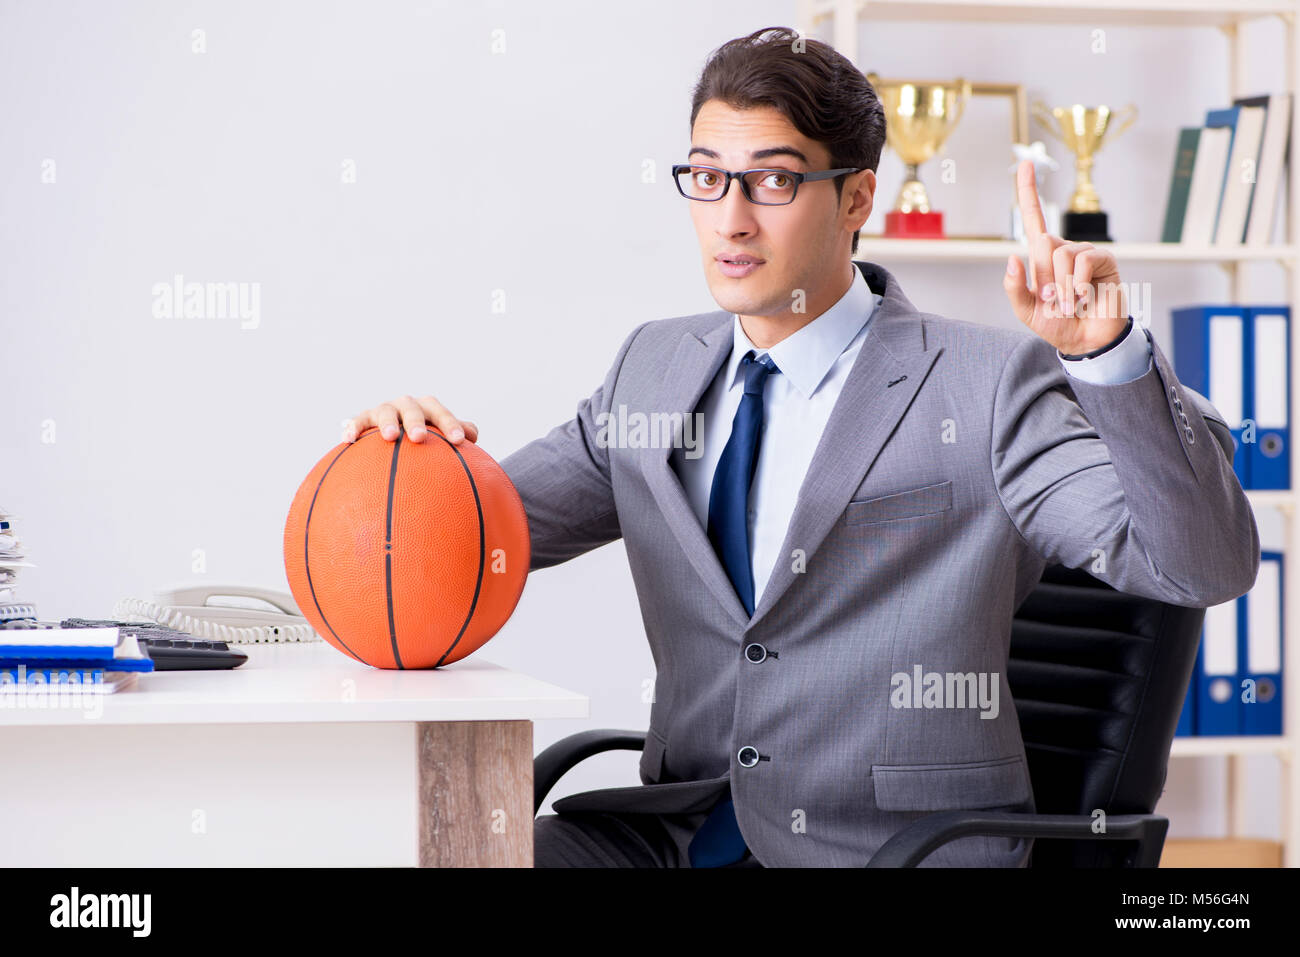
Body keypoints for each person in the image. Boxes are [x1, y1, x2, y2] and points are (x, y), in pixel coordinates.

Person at [344, 26, 1260, 867]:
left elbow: (1197, 568)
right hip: (679, 830)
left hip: (894, 847)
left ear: (857, 195)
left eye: (774, 180)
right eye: (706, 176)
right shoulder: (652, 371)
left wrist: (1105, 358)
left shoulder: (985, 384)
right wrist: (409, 467)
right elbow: (470, 543)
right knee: (452, 847)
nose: (730, 219)